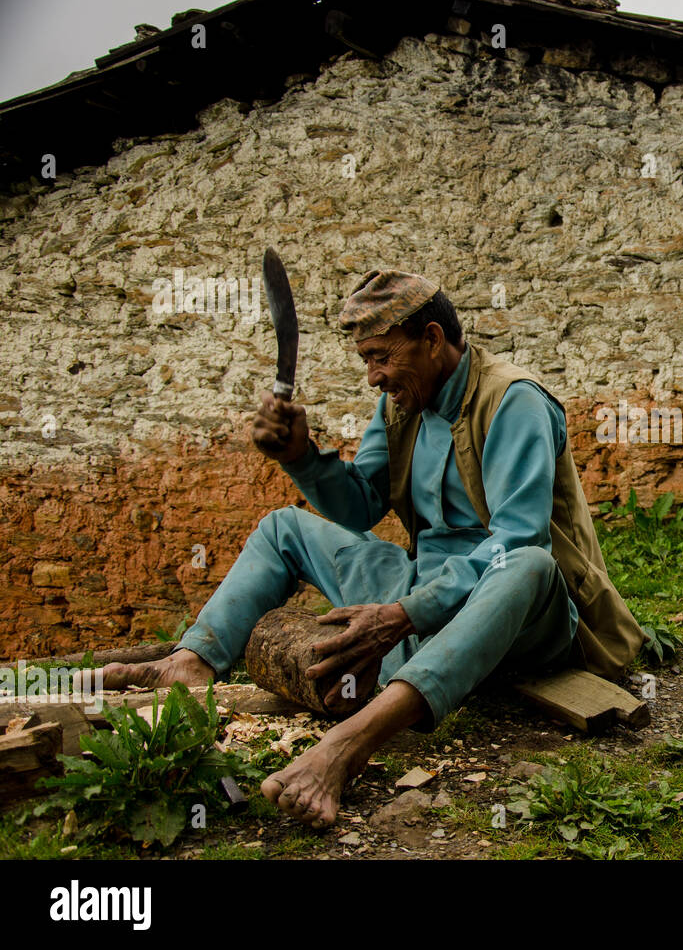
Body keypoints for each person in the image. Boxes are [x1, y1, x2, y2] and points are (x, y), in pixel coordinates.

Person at [98, 269, 643, 827]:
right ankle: (190, 664)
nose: (372, 377)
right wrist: (302, 457)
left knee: (526, 563)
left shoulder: (513, 402)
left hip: (528, 616)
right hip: (423, 595)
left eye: (380, 357)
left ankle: (348, 746)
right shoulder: (401, 403)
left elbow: (516, 540)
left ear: (432, 339)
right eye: (365, 359)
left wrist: (403, 615)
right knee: (284, 527)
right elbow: (362, 505)